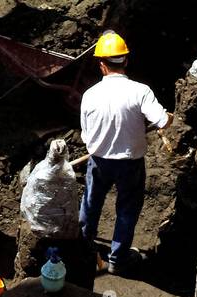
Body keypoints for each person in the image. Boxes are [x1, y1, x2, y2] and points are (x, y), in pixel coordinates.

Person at [78, 31, 172, 275]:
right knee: (127, 210)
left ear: (102, 65)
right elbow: (161, 121)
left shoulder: (89, 96)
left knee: (90, 205)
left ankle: (84, 248)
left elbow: (86, 135)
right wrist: (168, 118)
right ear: (126, 61)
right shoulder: (140, 91)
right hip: (130, 163)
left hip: (98, 161)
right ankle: (118, 259)